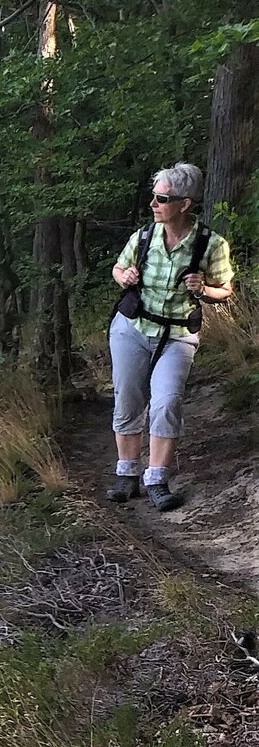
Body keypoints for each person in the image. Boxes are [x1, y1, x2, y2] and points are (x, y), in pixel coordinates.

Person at [106, 161, 236, 511]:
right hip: (131, 328)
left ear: (184, 204)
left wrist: (205, 289)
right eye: (153, 197)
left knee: (166, 402)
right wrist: (124, 277)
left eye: (161, 198)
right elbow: (117, 268)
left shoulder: (211, 244)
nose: (153, 204)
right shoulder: (144, 237)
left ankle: (157, 480)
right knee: (128, 398)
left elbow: (226, 289)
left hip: (177, 334)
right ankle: (126, 474)